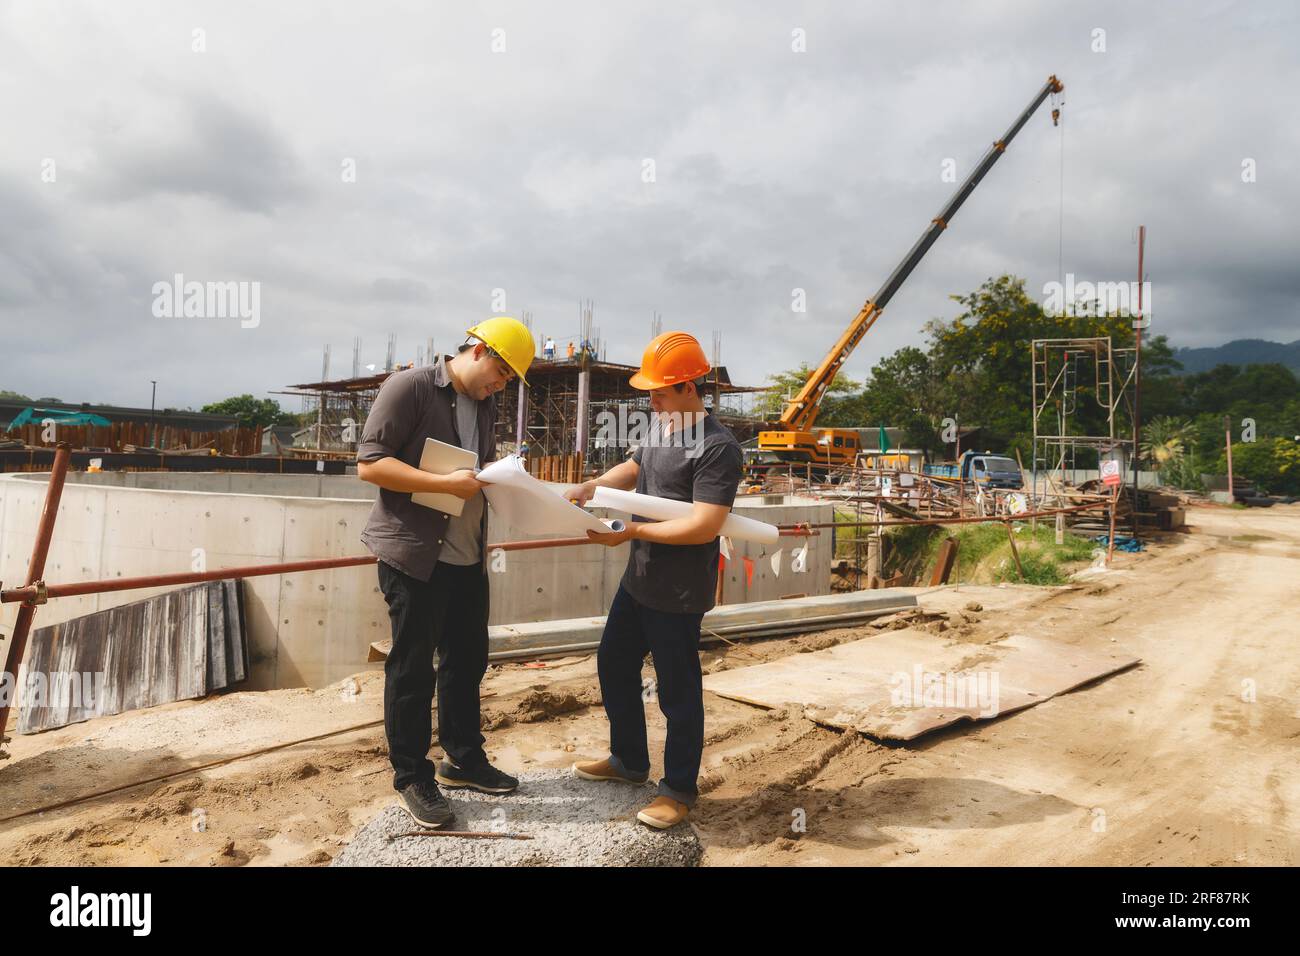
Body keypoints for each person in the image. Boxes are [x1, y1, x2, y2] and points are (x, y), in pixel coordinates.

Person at [356, 316, 534, 829]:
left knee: (466, 660)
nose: (501, 386)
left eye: (507, 381)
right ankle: (413, 775)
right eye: (501, 374)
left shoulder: (485, 402)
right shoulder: (409, 387)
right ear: (478, 351)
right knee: (412, 669)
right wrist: (445, 482)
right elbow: (370, 464)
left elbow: (473, 470)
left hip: (466, 555)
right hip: (415, 556)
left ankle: (464, 758)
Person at [564, 331, 743, 829]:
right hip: (640, 579)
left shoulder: (717, 448)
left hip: (679, 591)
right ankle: (629, 762)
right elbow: (635, 466)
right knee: (614, 663)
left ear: (689, 386)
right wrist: (591, 486)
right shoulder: (665, 427)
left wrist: (632, 531)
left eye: (659, 391)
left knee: (677, 692)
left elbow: (705, 523)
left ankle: (679, 789)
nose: (652, 399)